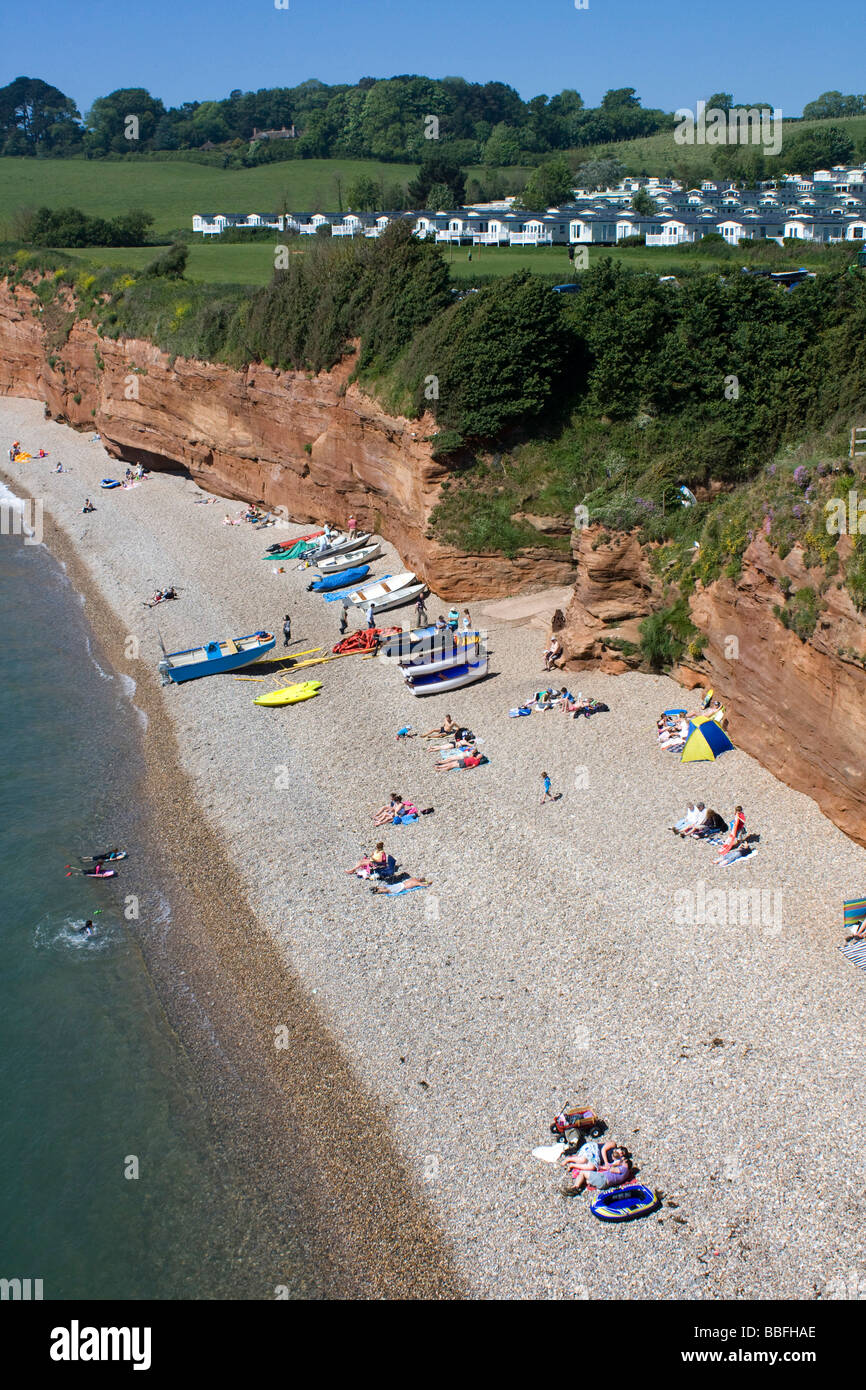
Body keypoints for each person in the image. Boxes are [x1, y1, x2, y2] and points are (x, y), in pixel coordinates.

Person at [560, 1142, 631, 1196]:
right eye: (621, 1150)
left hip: (597, 1160)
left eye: (622, 1154)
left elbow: (610, 1168)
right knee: (583, 1160)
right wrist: (606, 1162)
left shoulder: (616, 1160)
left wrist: (610, 1165)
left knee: (591, 1167)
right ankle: (569, 1159)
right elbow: (603, 1149)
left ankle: (573, 1167)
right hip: (594, 1149)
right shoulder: (613, 1144)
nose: (620, 1152)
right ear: (619, 1147)